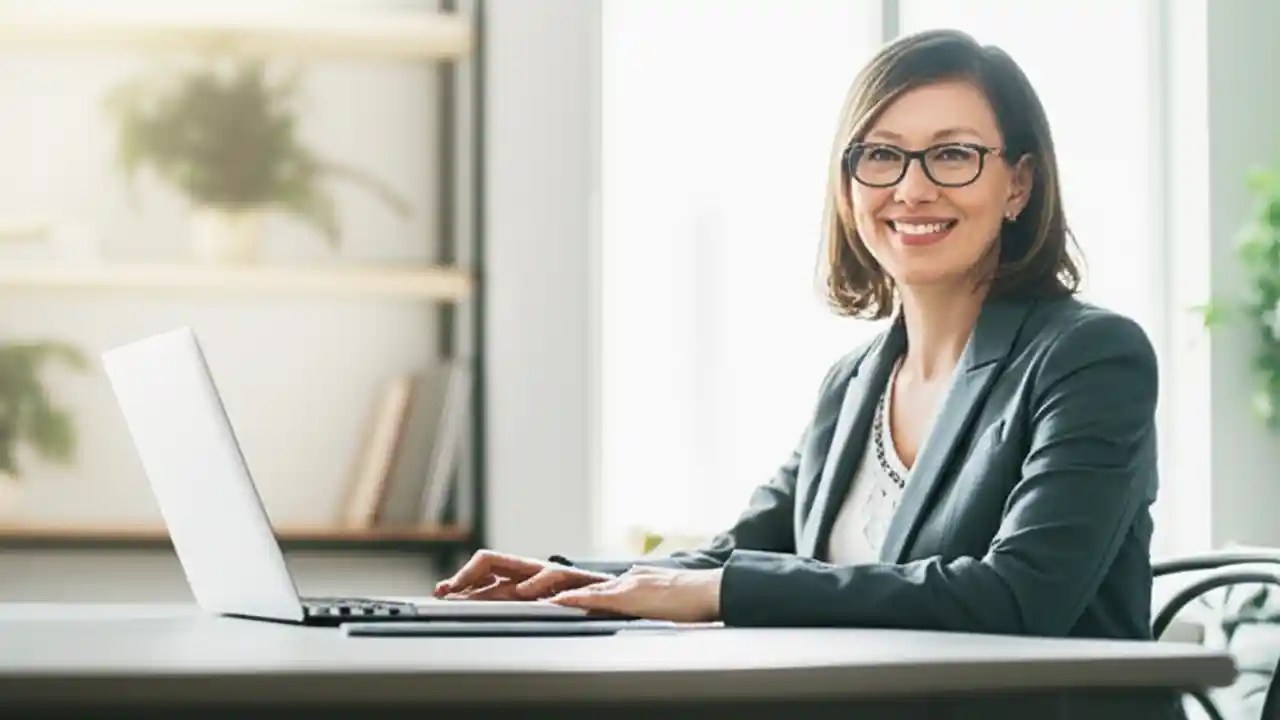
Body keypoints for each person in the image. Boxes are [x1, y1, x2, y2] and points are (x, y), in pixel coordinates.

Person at [434, 28, 1159, 639]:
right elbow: (740, 554)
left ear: (1019, 184)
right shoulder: (852, 384)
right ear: (848, 188)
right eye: (880, 155)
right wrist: (577, 581)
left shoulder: (1090, 359)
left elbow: (1018, 597)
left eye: (953, 154)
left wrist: (723, 594)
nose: (911, 188)